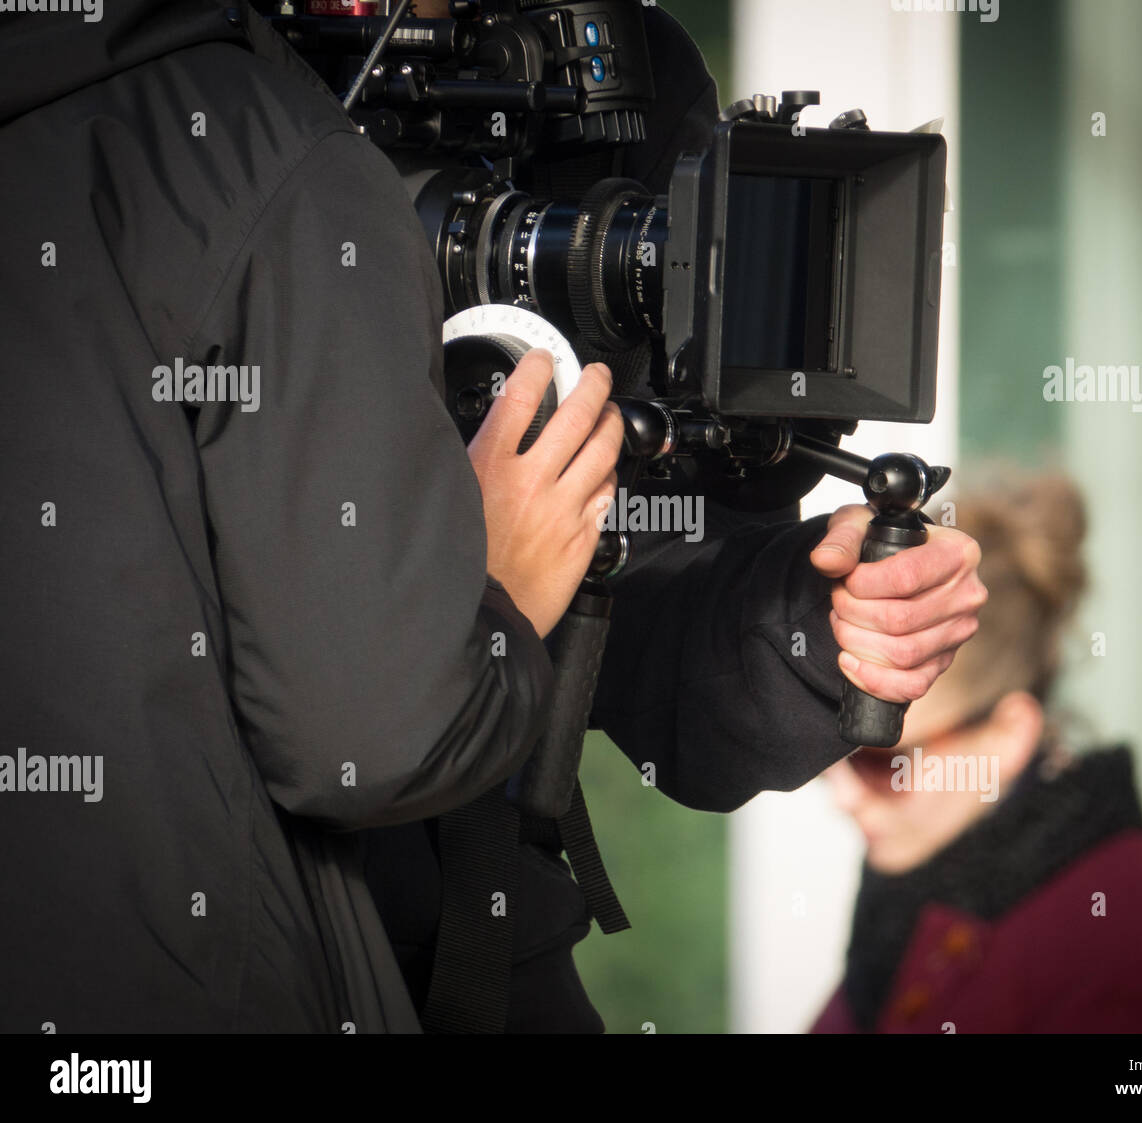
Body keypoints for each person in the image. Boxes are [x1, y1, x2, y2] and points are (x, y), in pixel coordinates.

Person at [0, 0, 983, 1033]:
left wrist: (808, 623)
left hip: (474, 943)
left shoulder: (601, 84)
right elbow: (367, 732)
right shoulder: (219, 136)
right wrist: (487, 586)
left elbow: (624, 601)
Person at [812, 474, 1142, 1034]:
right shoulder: (920, 868)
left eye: (883, 760)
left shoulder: (1134, 922)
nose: (842, 795)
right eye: (831, 752)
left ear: (1008, 734)